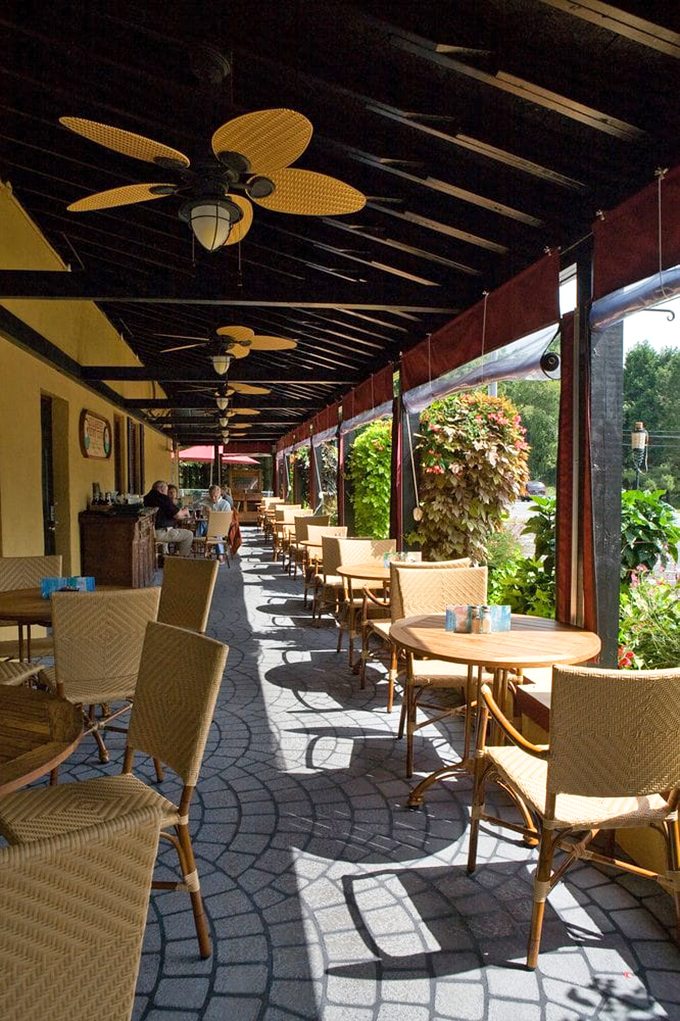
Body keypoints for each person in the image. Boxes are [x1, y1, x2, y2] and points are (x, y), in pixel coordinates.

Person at [144, 480, 193, 557]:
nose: (167, 493)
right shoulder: (162, 498)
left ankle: (166, 557)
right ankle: (183, 560)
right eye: (167, 491)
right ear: (162, 489)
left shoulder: (146, 498)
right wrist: (185, 511)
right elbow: (177, 515)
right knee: (189, 535)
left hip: (148, 533)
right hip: (161, 532)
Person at [201, 484, 232, 563]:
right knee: (201, 523)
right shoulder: (207, 502)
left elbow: (227, 521)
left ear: (219, 493)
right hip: (207, 528)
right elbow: (196, 506)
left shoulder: (225, 504)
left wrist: (212, 514)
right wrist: (202, 508)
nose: (213, 498)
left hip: (220, 528)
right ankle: (198, 543)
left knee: (217, 531)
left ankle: (220, 555)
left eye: (215, 496)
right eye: (211, 496)